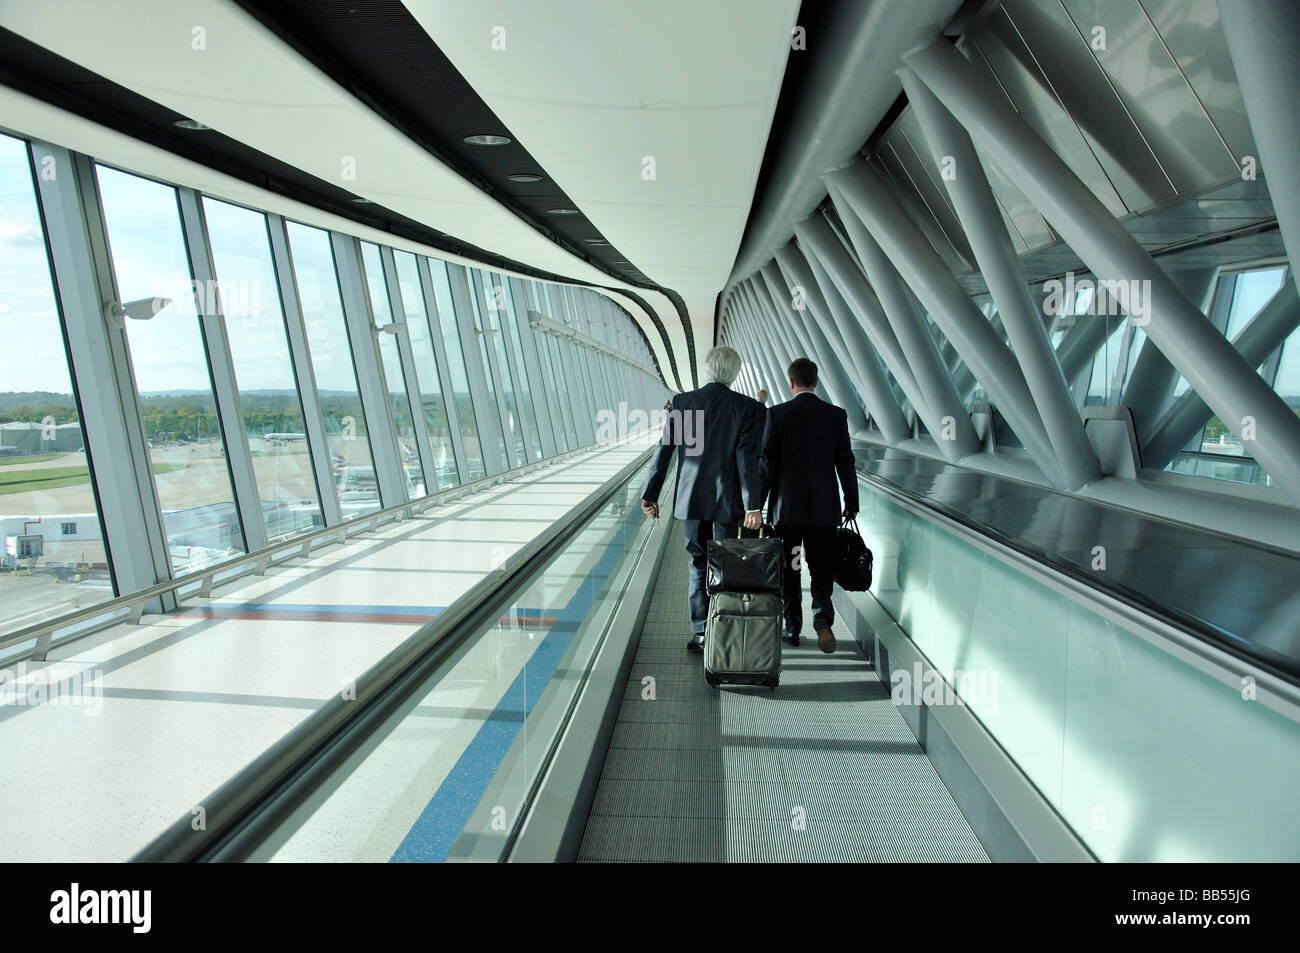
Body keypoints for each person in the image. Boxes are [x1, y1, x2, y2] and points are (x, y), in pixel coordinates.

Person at [641, 346, 765, 653]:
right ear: (734, 374)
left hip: (692, 497)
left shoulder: (684, 403)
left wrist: (650, 494)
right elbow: (745, 459)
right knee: (727, 564)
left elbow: (665, 450)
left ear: (707, 370)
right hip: (729, 501)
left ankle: (700, 631)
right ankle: (726, 630)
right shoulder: (749, 408)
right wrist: (753, 506)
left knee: (697, 561)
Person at [760, 357, 857, 654]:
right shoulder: (835, 415)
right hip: (823, 510)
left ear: (791, 383)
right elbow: (845, 462)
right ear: (816, 381)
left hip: (787, 511)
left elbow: (767, 464)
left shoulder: (777, 415)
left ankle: (792, 625)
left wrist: (755, 504)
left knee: (791, 566)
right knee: (821, 564)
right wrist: (851, 502)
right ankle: (821, 614)